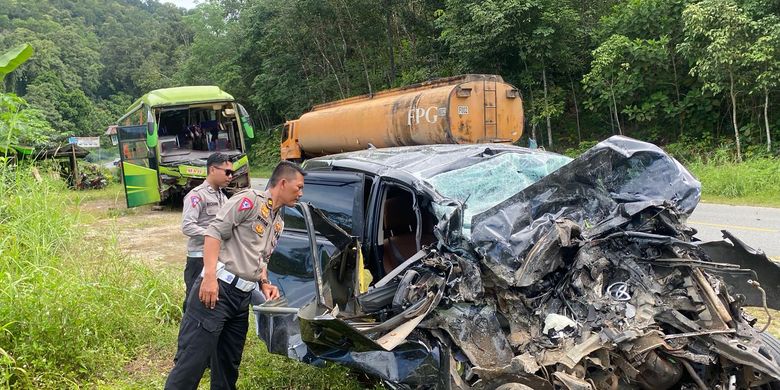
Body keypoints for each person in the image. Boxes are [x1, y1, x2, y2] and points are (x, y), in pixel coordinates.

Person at [165, 161, 306, 390]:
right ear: (282, 182)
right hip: (216, 292)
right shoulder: (248, 200)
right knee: (192, 362)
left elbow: (260, 257)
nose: (301, 193)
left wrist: (264, 283)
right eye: (298, 187)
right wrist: (209, 277)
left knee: (227, 364)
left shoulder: (278, 221)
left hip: (242, 299)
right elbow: (213, 233)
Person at [180, 152, 233, 312]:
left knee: (213, 301)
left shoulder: (223, 197)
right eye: (227, 172)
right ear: (212, 170)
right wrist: (212, 237)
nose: (230, 176)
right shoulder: (197, 195)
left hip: (218, 258)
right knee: (193, 302)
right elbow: (187, 226)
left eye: (232, 173)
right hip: (199, 258)